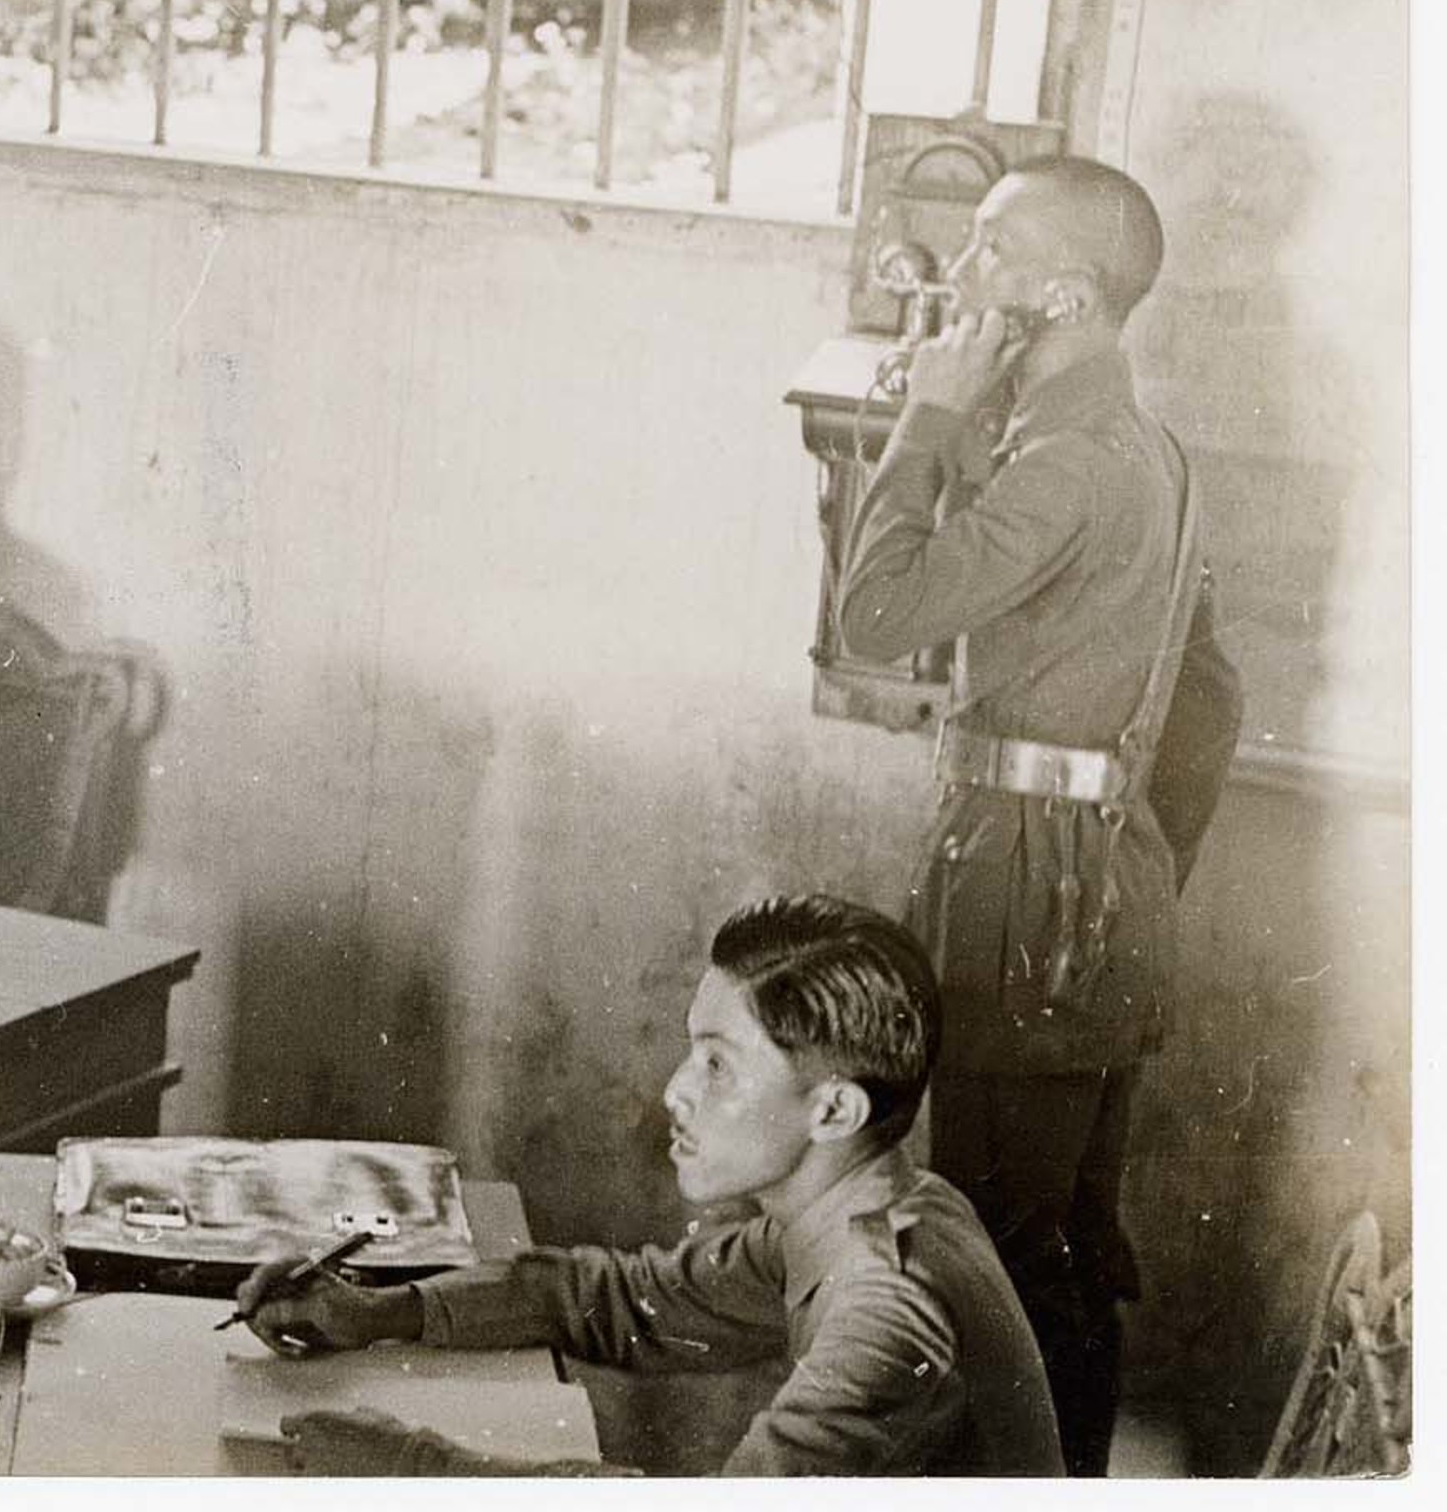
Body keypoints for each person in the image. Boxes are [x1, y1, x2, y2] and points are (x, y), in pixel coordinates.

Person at [835, 156, 1237, 1475]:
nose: (966, 273)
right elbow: (1209, 705)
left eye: (995, 252)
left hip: (1024, 906)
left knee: (995, 1258)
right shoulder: (1148, 451)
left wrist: (922, 426)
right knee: (1060, 1250)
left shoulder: (1066, 462)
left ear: (1061, 292)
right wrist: (1129, 865)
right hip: (1098, 900)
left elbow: (878, 617)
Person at [236, 895, 1064, 1478]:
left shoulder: (889, 1313)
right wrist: (384, 1310)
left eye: (717, 1063)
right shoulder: (868, 1209)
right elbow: (628, 1301)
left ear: (834, 1108)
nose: (675, 1090)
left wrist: (414, 1470)